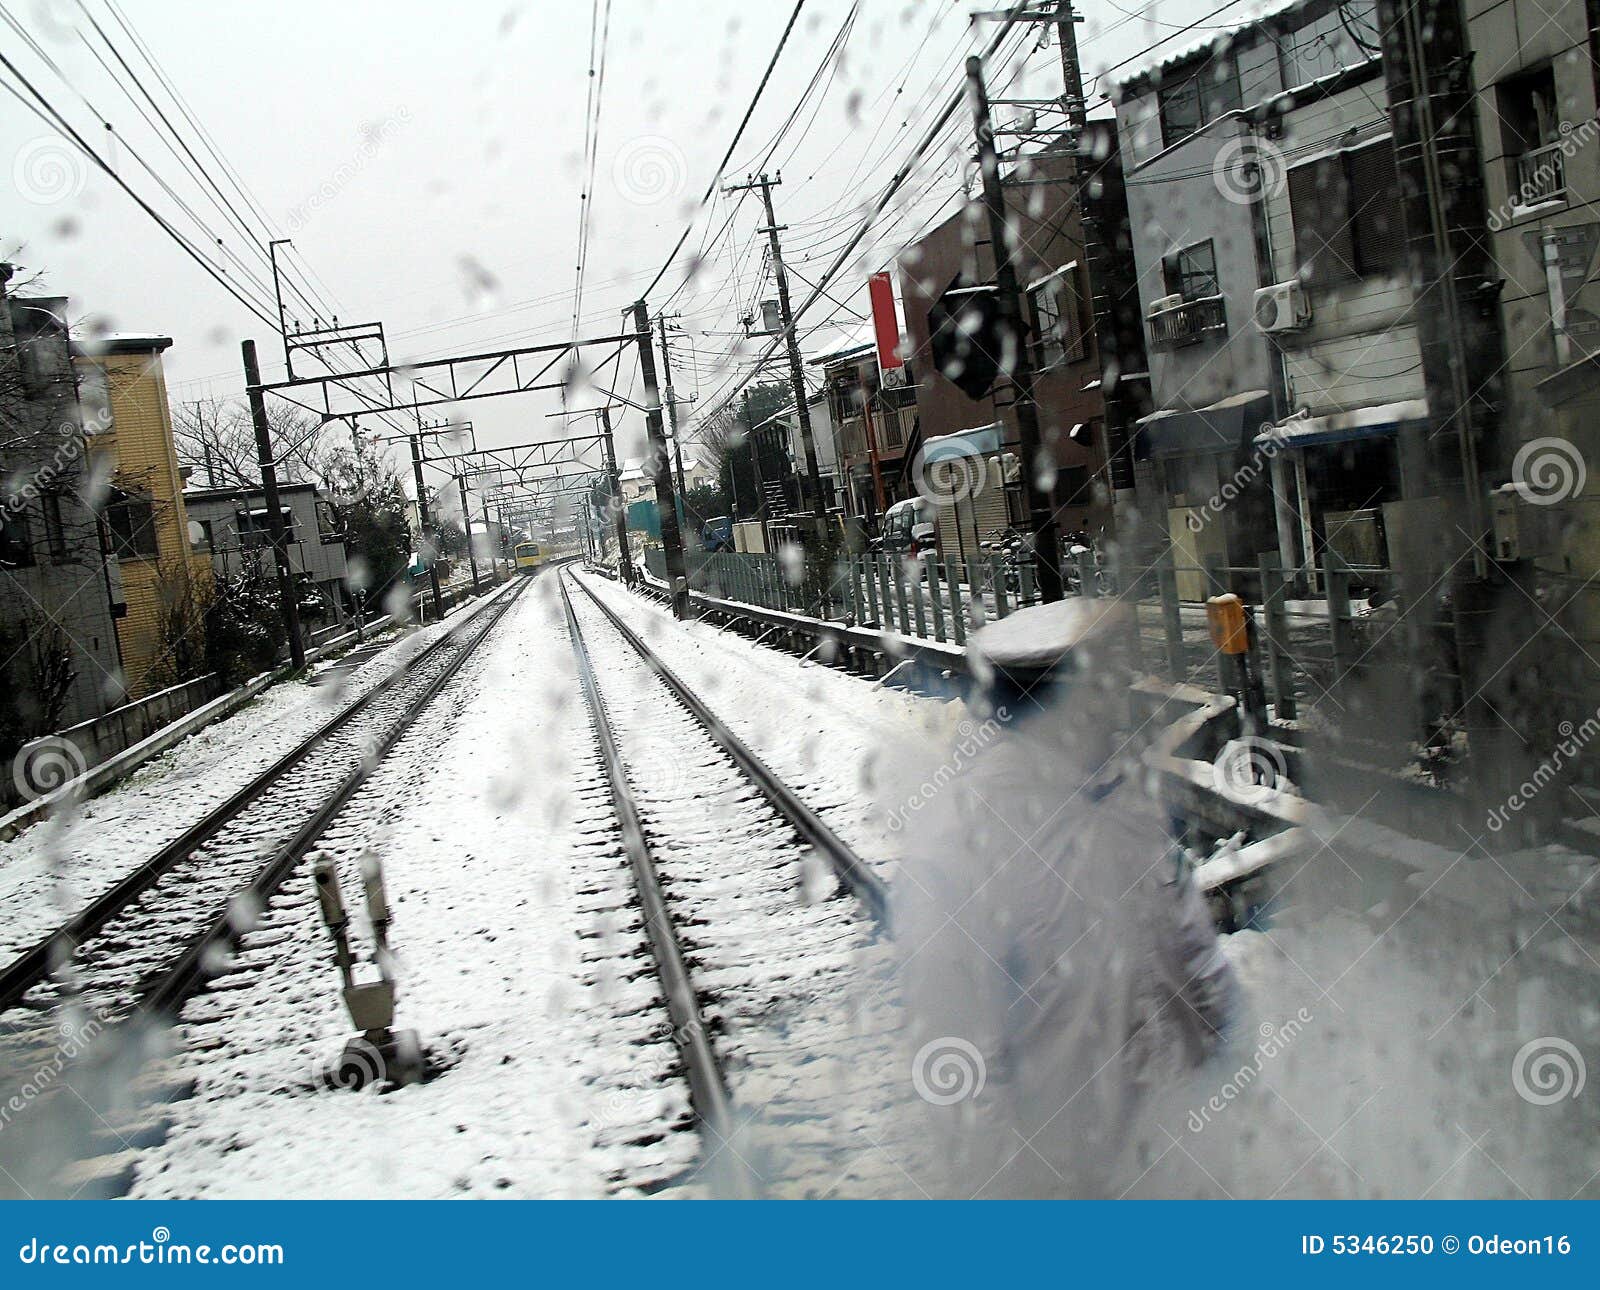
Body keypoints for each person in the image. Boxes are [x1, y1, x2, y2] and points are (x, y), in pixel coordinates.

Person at [896, 596, 1239, 1196]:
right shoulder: (959, 845)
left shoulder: (1122, 801)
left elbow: (1193, 962)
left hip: (1172, 1163)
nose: (1128, 699)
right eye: (1109, 685)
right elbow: (958, 1067)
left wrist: (1230, 1082)